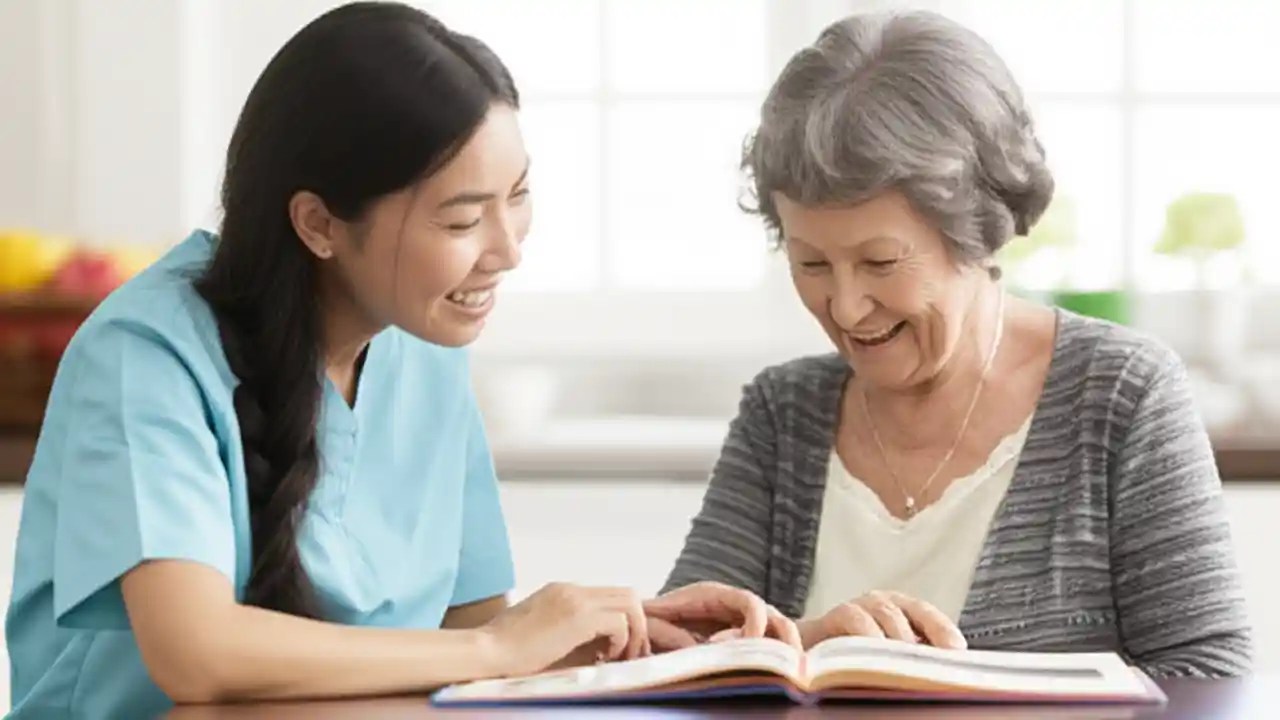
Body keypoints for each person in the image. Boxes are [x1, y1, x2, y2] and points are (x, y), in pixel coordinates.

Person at [4, 3, 796, 717]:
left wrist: (613, 641)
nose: (509, 250)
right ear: (318, 223)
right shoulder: (147, 353)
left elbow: (476, 628)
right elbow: (197, 655)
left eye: (517, 196)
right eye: (461, 220)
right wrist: (497, 650)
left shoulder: (422, 342)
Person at [663, 10, 1254, 678]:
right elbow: (674, 658)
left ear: (980, 230)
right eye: (813, 265)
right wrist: (801, 641)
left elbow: (1211, 674)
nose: (847, 306)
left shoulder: (1121, 394)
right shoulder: (783, 412)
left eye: (881, 263)